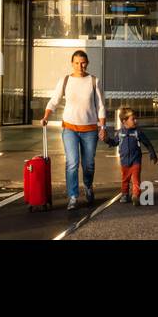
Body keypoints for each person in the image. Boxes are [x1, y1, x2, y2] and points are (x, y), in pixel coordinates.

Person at [42, 49, 107, 209]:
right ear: (72, 64)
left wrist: (103, 126)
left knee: (88, 164)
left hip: (90, 130)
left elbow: (100, 106)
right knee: (72, 163)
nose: (80, 66)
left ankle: (88, 186)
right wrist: (46, 116)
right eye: (77, 63)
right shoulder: (65, 80)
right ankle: (72, 196)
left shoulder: (94, 81)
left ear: (87, 63)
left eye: (83, 62)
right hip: (70, 128)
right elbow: (54, 100)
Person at [105, 107, 158, 204]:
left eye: (135, 118)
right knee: (125, 179)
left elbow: (147, 143)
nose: (135, 121)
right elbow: (114, 143)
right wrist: (107, 140)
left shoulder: (138, 132)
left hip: (136, 160)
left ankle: (135, 195)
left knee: (136, 179)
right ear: (124, 121)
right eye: (133, 119)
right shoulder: (120, 133)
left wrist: (153, 154)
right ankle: (125, 194)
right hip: (124, 161)